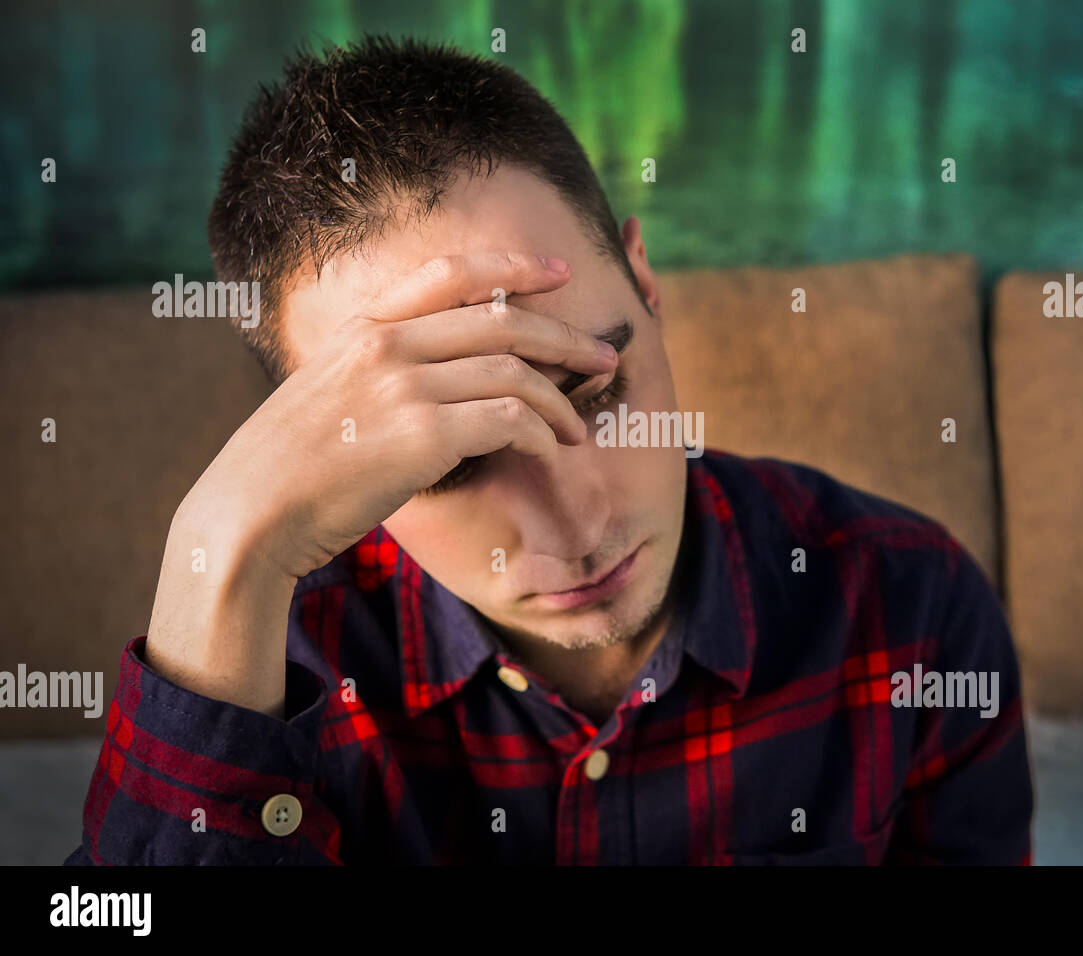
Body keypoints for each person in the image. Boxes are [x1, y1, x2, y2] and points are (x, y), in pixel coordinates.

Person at [67, 36, 1032, 865]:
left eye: (597, 394)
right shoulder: (266, 670)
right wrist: (219, 541)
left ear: (645, 280)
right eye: (443, 458)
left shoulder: (909, 606)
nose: (576, 526)